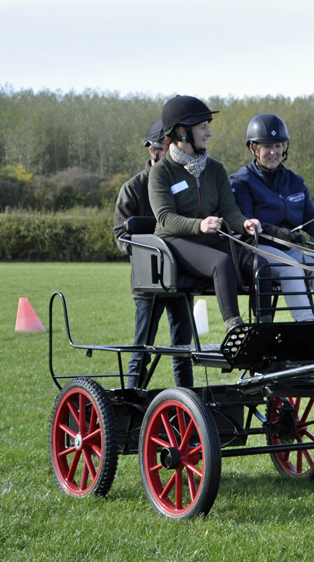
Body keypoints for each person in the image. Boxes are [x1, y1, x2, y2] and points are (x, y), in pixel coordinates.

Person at [148, 95, 263, 332]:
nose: (208, 133)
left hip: (210, 240)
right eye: (202, 127)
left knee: (260, 265)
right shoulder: (161, 172)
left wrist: (244, 224)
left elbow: (229, 210)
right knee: (221, 263)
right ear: (182, 132)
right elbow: (166, 218)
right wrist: (199, 225)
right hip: (175, 242)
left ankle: (263, 331)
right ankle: (236, 329)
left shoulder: (215, 169)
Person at [230, 114, 314, 322]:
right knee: (290, 267)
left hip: (288, 247)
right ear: (253, 149)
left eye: (278, 146)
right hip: (256, 247)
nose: (274, 152)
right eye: (267, 147)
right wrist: (272, 230)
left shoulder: (295, 181)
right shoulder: (241, 182)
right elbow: (242, 217)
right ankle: (306, 324)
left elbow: (309, 214)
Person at [113, 119, 194, 388]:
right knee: (142, 349)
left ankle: (188, 404)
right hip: (148, 284)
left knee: (183, 350)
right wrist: (150, 253)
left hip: (181, 279)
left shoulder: (183, 185)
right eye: (165, 149)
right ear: (153, 150)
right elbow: (121, 236)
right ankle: (131, 403)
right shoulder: (133, 189)